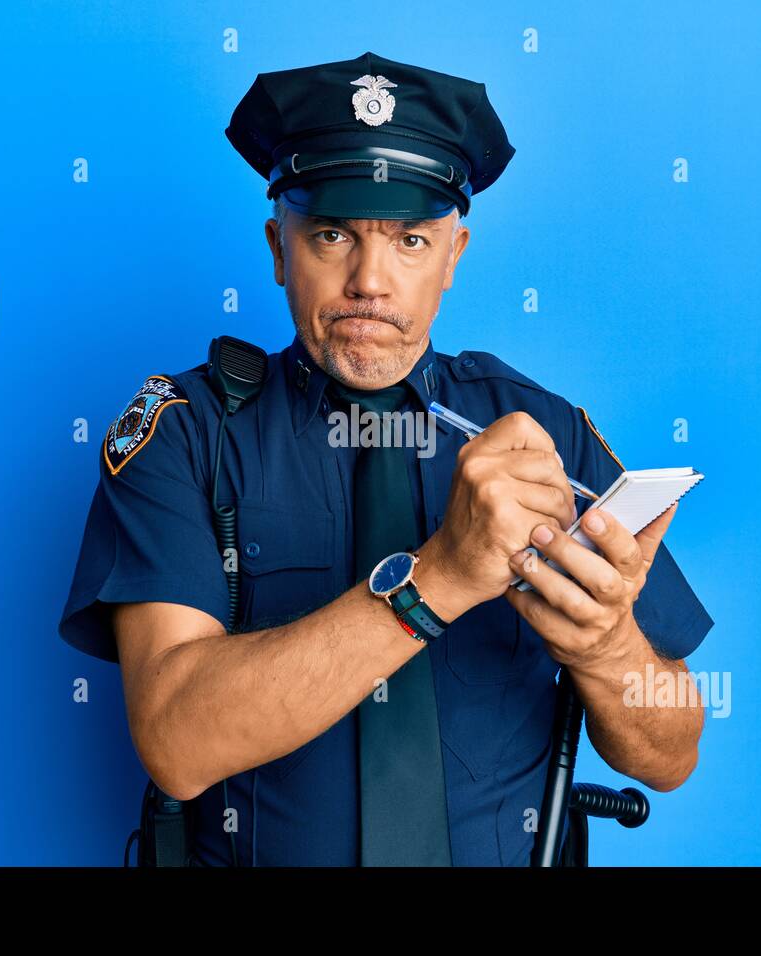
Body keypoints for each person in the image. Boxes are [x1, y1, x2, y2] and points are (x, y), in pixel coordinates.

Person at [58, 51, 714, 866]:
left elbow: (672, 753)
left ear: (453, 256)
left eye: (410, 239)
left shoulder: (540, 432)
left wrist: (604, 644)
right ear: (278, 247)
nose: (371, 280)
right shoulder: (185, 433)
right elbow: (176, 740)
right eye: (332, 233)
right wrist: (438, 579)